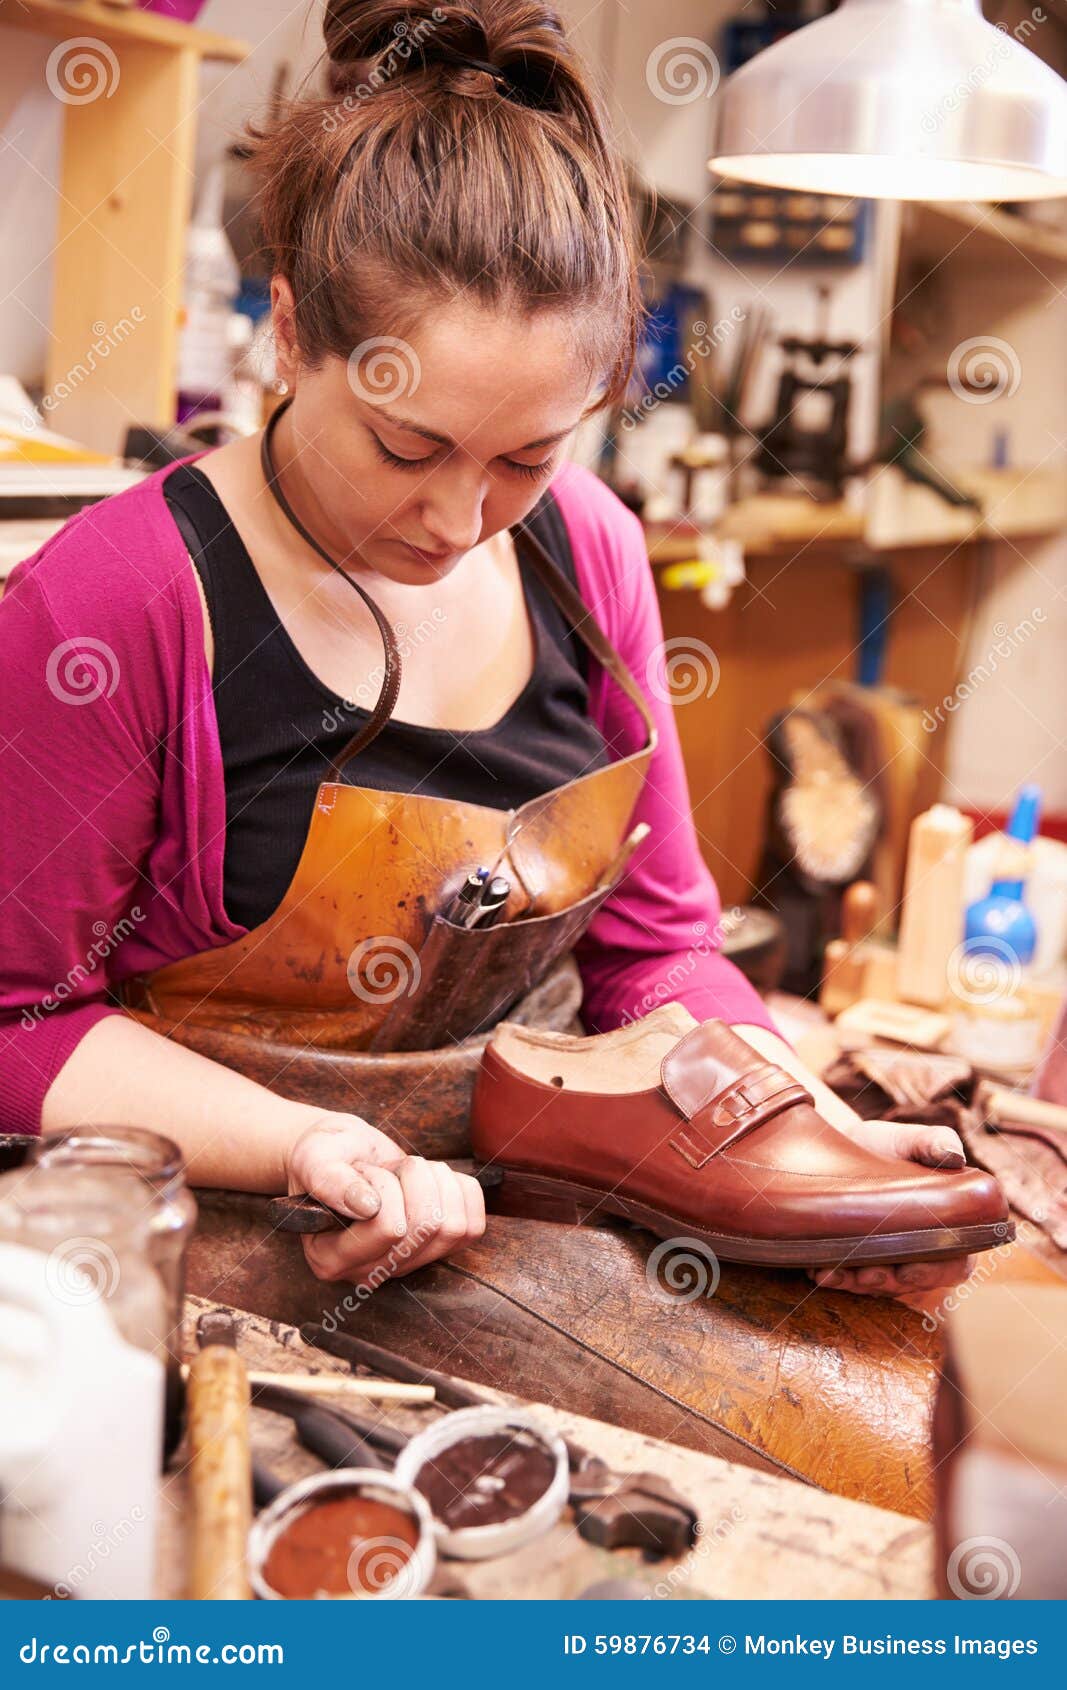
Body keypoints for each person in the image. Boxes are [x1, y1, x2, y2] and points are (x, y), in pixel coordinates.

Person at [0, 0, 973, 1299]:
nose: (461, 522)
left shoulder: (590, 550)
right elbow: (17, 1017)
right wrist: (305, 1145)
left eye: (525, 456)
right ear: (290, 331)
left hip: (511, 1211)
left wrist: (789, 1119)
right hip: (183, 1222)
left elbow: (655, 950)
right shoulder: (113, 605)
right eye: (408, 448)